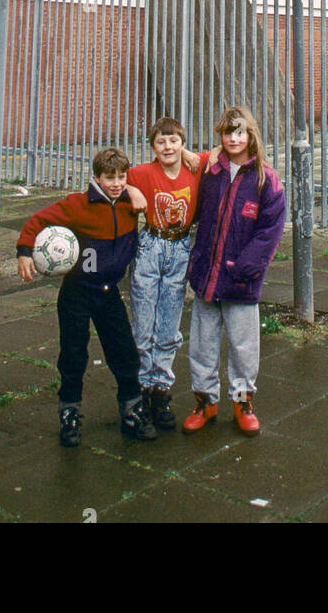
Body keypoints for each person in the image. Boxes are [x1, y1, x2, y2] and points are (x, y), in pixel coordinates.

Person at [15, 147, 155, 448]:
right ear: (96, 178)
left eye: (122, 178)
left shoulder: (130, 203)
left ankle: (132, 411)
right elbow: (37, 221)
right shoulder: (78, 205)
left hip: (109, 293)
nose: (116, 183)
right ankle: (69, 414)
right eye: (109, 178)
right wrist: (25, 251)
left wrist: (134, 191)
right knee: (73, 355)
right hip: (77, 293)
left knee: (125, 354)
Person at [183, 106, 286, 437]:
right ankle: (205, 401)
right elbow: (183, 171)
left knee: (243, 348)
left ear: (250, 135)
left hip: (241, 281)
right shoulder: (211, 172)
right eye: (228, 133)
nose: (234, 138)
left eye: (239, 132)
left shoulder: (264, 179)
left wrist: (247, 267)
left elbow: (270, 230)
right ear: (221, 136)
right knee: (202, 343)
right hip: (206, 277)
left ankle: (242, 402)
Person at [126, 118, 210, 432]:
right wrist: (132, 192)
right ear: (153, 147)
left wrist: (192, 153)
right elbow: (112, 174)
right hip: (152, 245)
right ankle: (143, 388)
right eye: (161, 142)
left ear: (182, 143)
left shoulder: (193, 167)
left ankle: (161, 387)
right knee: (144, 319)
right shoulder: (144, 173)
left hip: (180, 247)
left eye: (174, 141)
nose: (168, 147)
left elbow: (221, 153)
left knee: (169, 321)